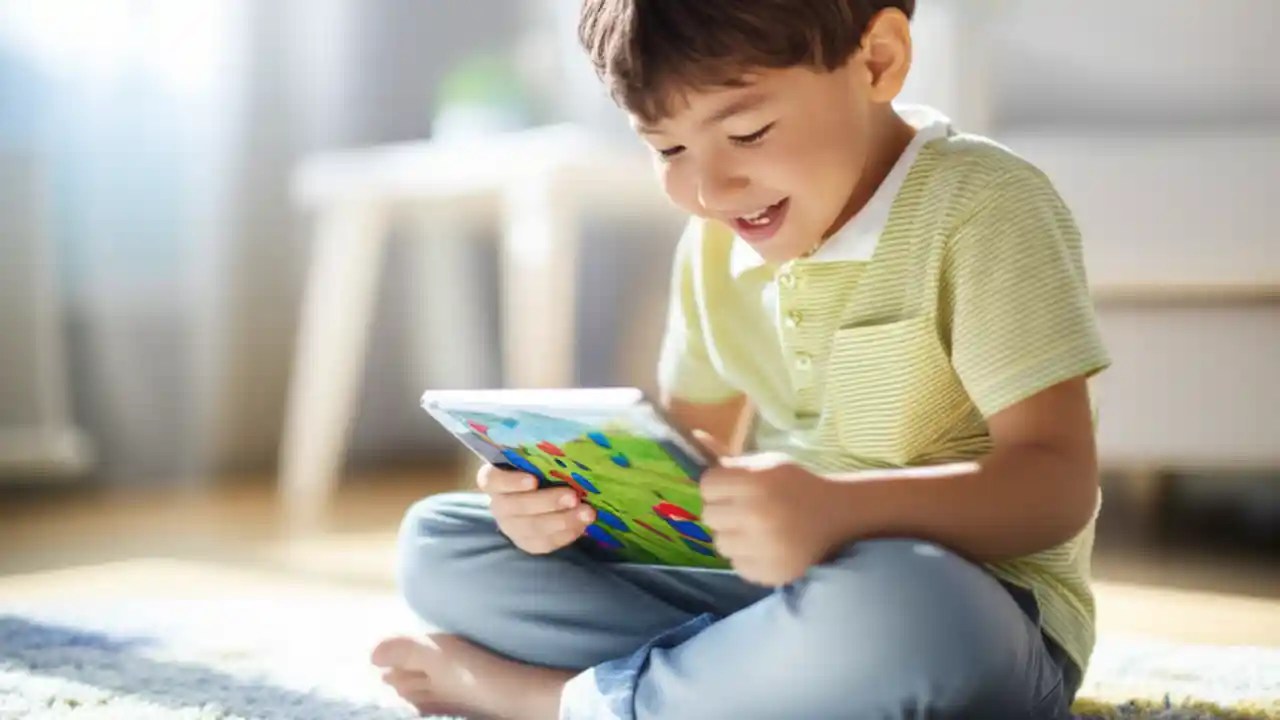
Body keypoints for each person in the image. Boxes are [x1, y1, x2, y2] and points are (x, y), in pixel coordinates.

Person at [372, 1, 1110, 718]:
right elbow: (690, 467)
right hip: (770, 595)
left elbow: (1056, 486)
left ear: (877, 62)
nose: (707, 189)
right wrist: (561, 509)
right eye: (668, 149)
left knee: (902, 613)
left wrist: (838, 511)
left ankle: (560, 701)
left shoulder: (982, 206)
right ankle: (742, 683)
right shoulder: (716, 243)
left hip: (971, 610)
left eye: (748, 133)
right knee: (442, 543)